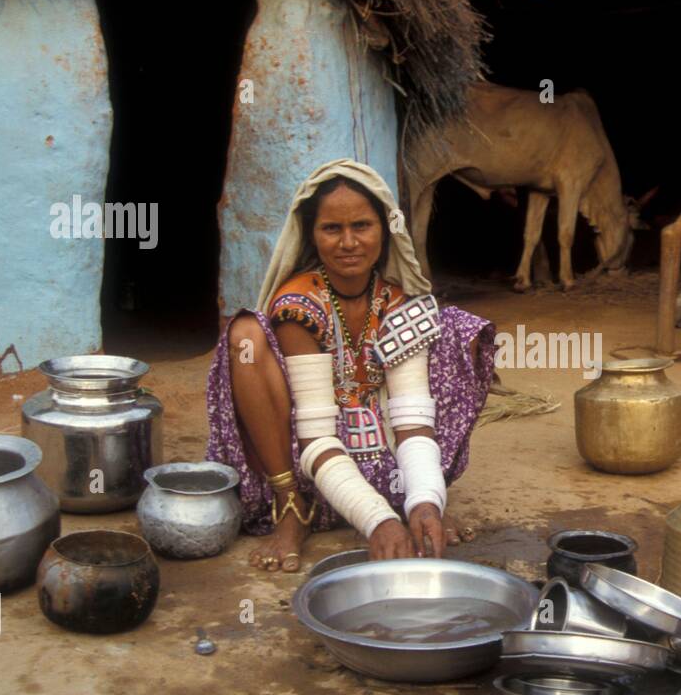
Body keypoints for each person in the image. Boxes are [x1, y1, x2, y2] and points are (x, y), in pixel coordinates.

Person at [205, 160, 496, 571]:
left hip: (384, 451)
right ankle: (293, 507)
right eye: (331, 229)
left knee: (451, 329)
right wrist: (376, 521)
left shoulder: (399, 302)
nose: (348, 242)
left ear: (385, 230)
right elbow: (316, 436)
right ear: (312, 234)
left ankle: (418, 500)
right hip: (311, 459)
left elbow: (413, 420)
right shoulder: (300, 306)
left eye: (361, 226)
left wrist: (426, 499)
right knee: (247, 337)